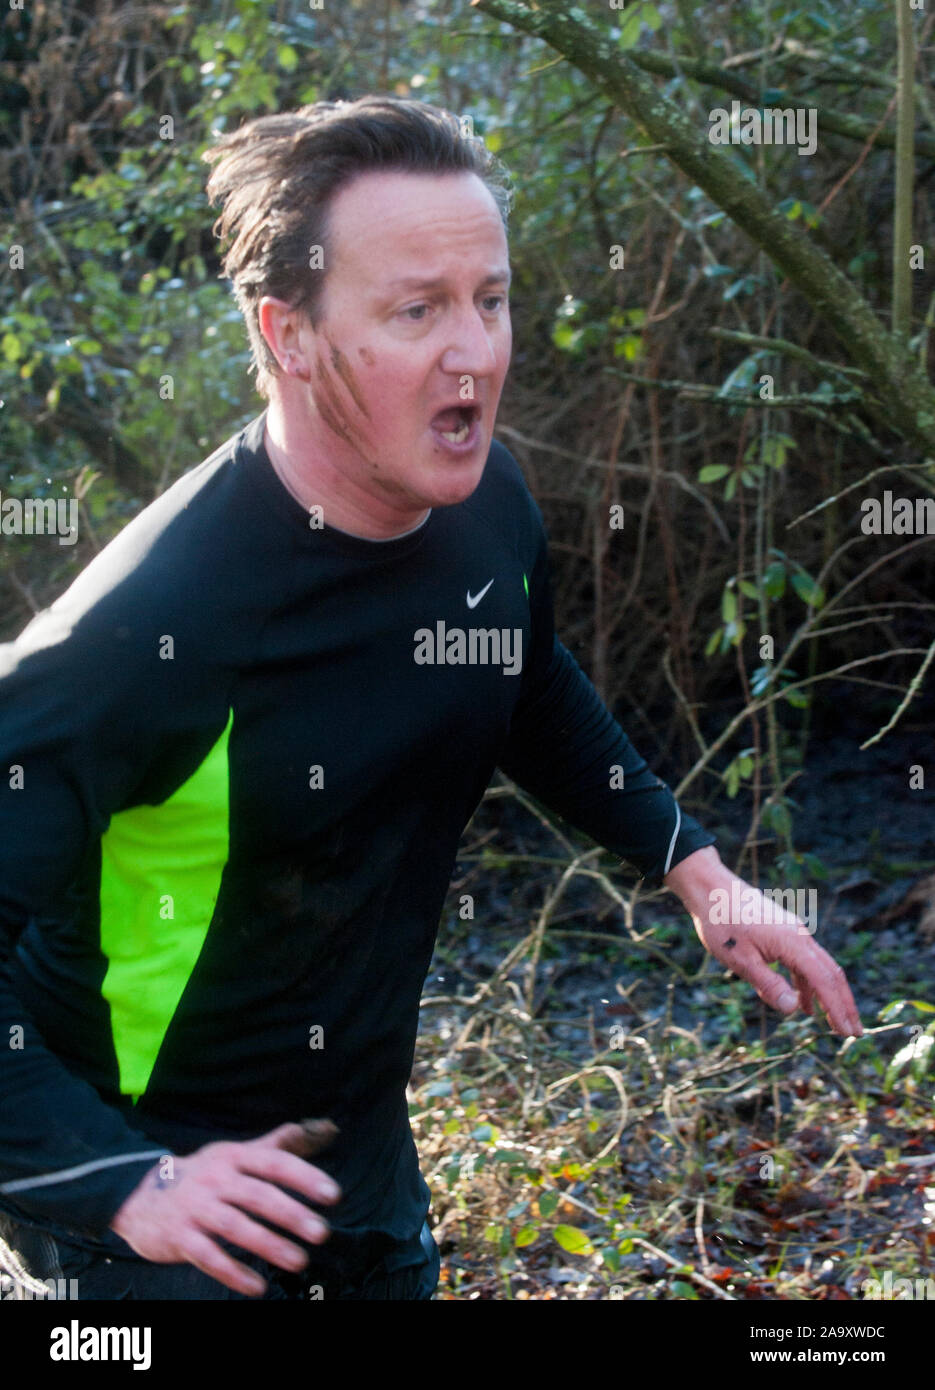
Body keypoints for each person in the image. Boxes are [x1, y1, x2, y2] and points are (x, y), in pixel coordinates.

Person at [0, 96, 862, 1303]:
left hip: (359, 1171)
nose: (477, 353)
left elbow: (516, 675)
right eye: (417, 310)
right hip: (154, 1223)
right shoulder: (152, 625)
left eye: (491, 299)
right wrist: (121, 1183)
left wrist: (690, 864)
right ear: (287, 335)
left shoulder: (485, 505)